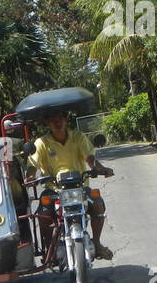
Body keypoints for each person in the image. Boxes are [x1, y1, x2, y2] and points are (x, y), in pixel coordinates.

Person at [29, 110, 115, 259]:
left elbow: (90, 159)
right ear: (48, 124)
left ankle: (97, 243)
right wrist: (29, 177)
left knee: (97, 204)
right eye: (53, 120)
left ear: (65, 121)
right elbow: (33, 164)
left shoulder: (78, 137)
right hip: (53, 189)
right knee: (43, 214)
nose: (57, 122)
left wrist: (100, 169)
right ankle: (51, 249)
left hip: (80, 187)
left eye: (60, 118)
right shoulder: (41, 143)